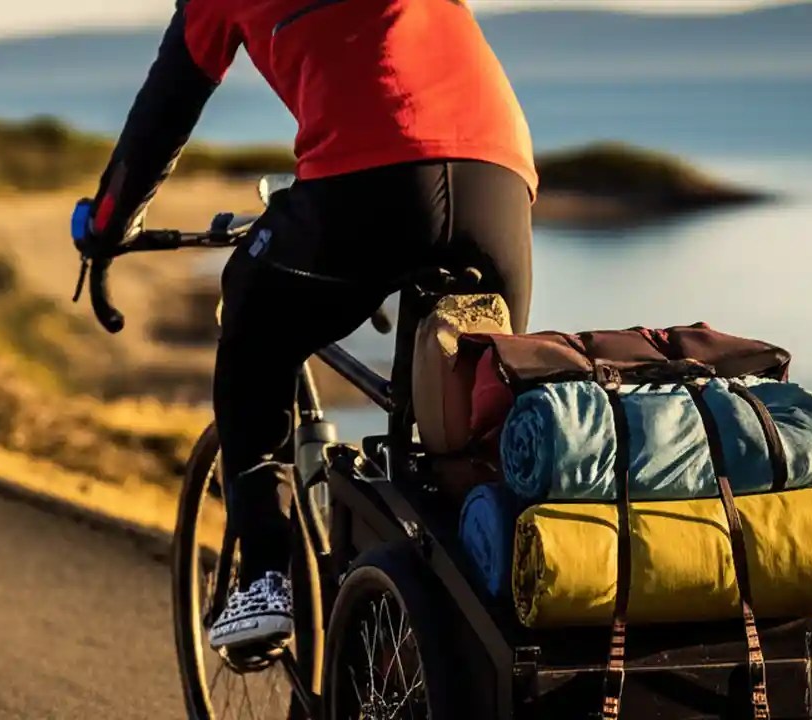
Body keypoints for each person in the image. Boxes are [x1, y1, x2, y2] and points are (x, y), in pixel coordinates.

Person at [77, 0, 538, 651]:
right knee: (474, 425)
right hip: (501, 182)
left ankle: (265, 575)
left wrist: (105, 229)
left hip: (370, 180)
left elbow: (164, 110)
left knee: (251, 311)